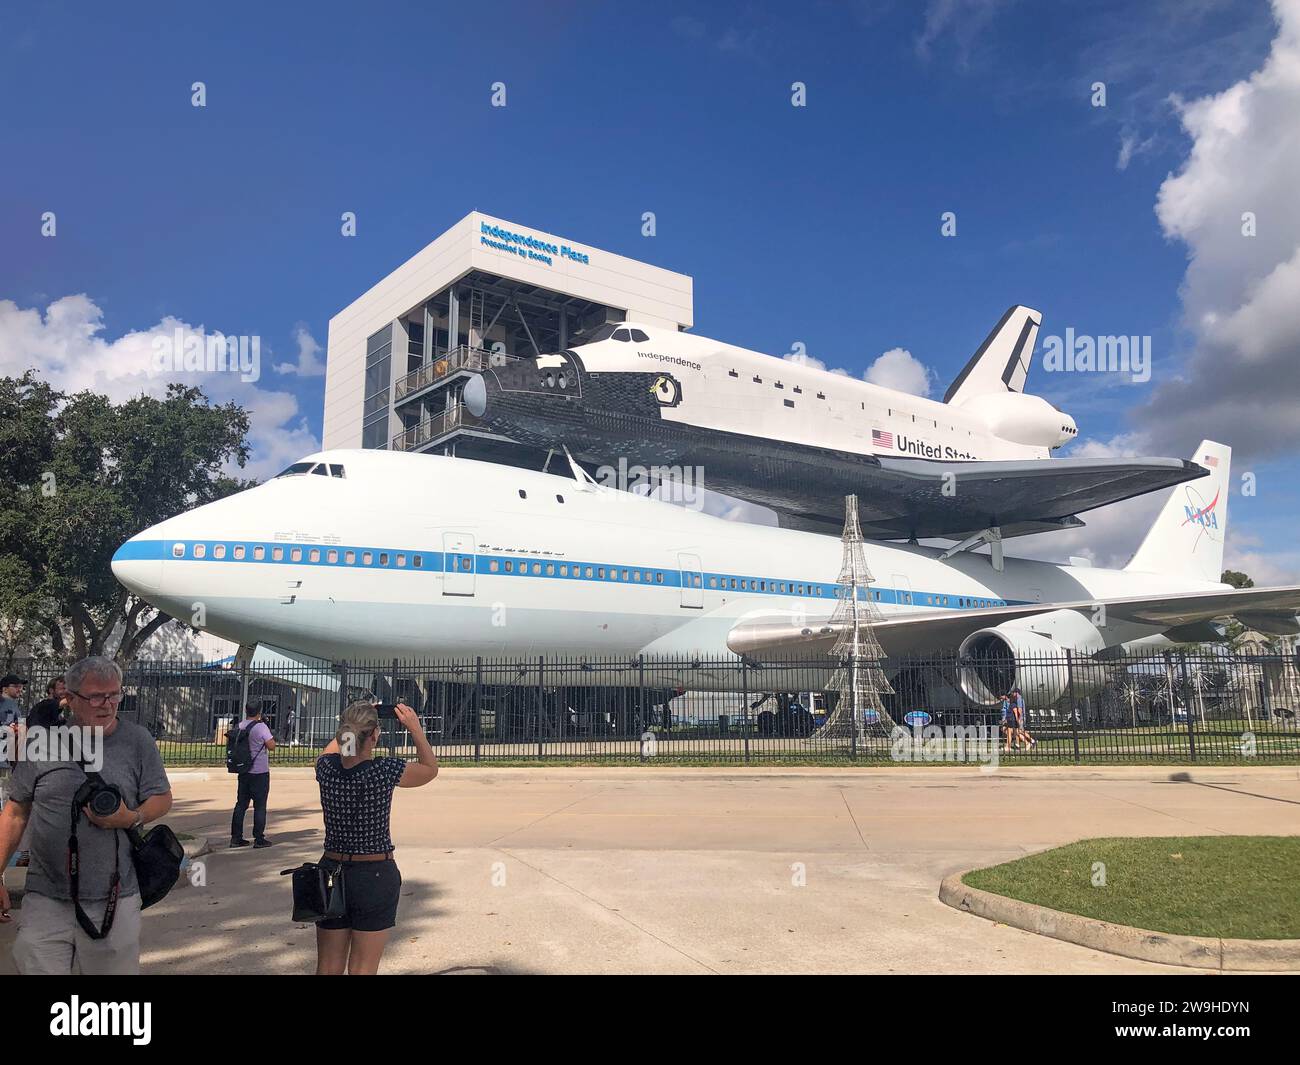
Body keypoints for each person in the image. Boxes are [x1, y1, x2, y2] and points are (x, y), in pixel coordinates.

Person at [0, 656, 173, 973]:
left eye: (114, 695)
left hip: (114, 900)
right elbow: (15, 812)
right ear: (70, 698)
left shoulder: (138, 741)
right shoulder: (42, 743)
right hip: (45, 899)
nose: (107, 705)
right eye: (96, 696)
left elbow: (162, 798)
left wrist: (131, 817)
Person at [313, 701, 438, 975]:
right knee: (363, 968)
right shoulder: (384, 770)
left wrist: (355, 716)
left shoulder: (326, 769)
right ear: (374, 736)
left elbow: (337, 748)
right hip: (373, 873)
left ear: (343, 732)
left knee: (328, 966)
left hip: (331, 871)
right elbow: (430, 769)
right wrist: (414, 728)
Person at [230, 704, 276, 849]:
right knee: (260, 806)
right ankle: (259, 838)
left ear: (246, 711)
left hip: (244, 770)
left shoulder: (240, 725)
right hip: (260, 772)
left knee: (241, 805)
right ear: (259, 712)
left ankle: (236, 838)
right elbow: (272, 746)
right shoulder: (261, 727)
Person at [0, 673, 26, 805]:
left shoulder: (13, 705)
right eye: (15, 686)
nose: (19, 689)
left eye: (20, 686)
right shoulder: (7, 704)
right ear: (4, 688)